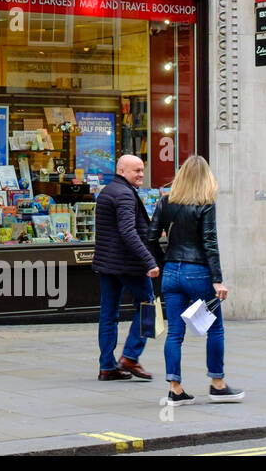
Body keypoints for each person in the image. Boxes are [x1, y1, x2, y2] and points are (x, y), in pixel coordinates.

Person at [150, 156, 244, 404]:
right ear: (206, 179)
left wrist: (163, 263)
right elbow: (209, 243)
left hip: (171, 272)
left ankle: (175, 388)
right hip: (199, 273)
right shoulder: (205, 204)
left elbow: (150, 238)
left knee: (174, 333)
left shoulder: (164, 202)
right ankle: (218, 384)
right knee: (215, 328)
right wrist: (218, 280)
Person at [93, 154, 161, 381]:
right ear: (122, 171)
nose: (141, 174)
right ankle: (130, 356)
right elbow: (127, 232)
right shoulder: (124, 194)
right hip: (128, 264)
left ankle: (107, 366)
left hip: (108, 264)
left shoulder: (108, 191)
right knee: (148, 306)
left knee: (108, 314)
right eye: (136, 171)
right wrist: (149, 261)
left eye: (142, 170)